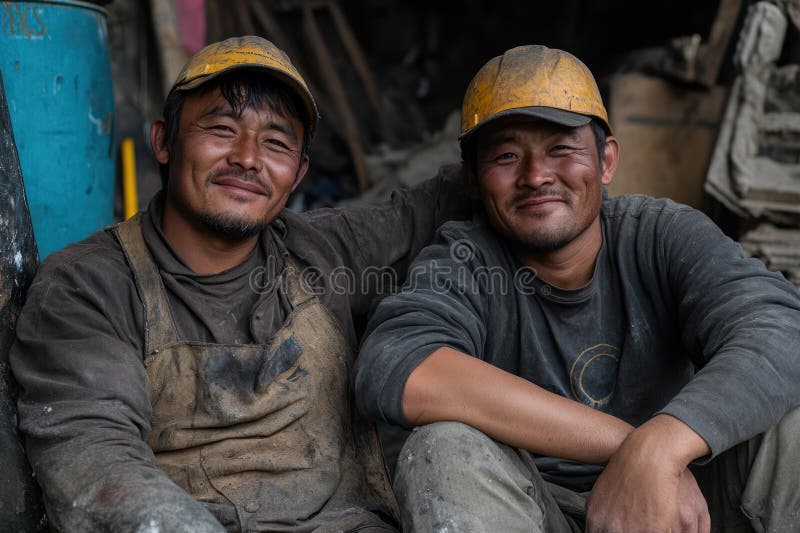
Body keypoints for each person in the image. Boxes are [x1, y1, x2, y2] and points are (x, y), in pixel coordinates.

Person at [10, 36, 469, 532]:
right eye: (222, 128)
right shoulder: (87, 286)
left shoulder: (325, 251)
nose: (248, 158)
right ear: (163, 141)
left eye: (276, 142)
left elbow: (439, 204)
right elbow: (94, 458)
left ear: (297, 174)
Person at [355, 45, 800, 532]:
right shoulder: (465, 260)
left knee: (789, 423)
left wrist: (667, 446)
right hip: (539, 510)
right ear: (474, 181)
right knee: (440, 449)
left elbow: (779, 330)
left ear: (606, 162)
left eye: (561, 149)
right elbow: (396, 364)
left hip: (684, 512)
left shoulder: (661, 235)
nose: (536, 176)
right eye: (506, 155)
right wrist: (635, 448)